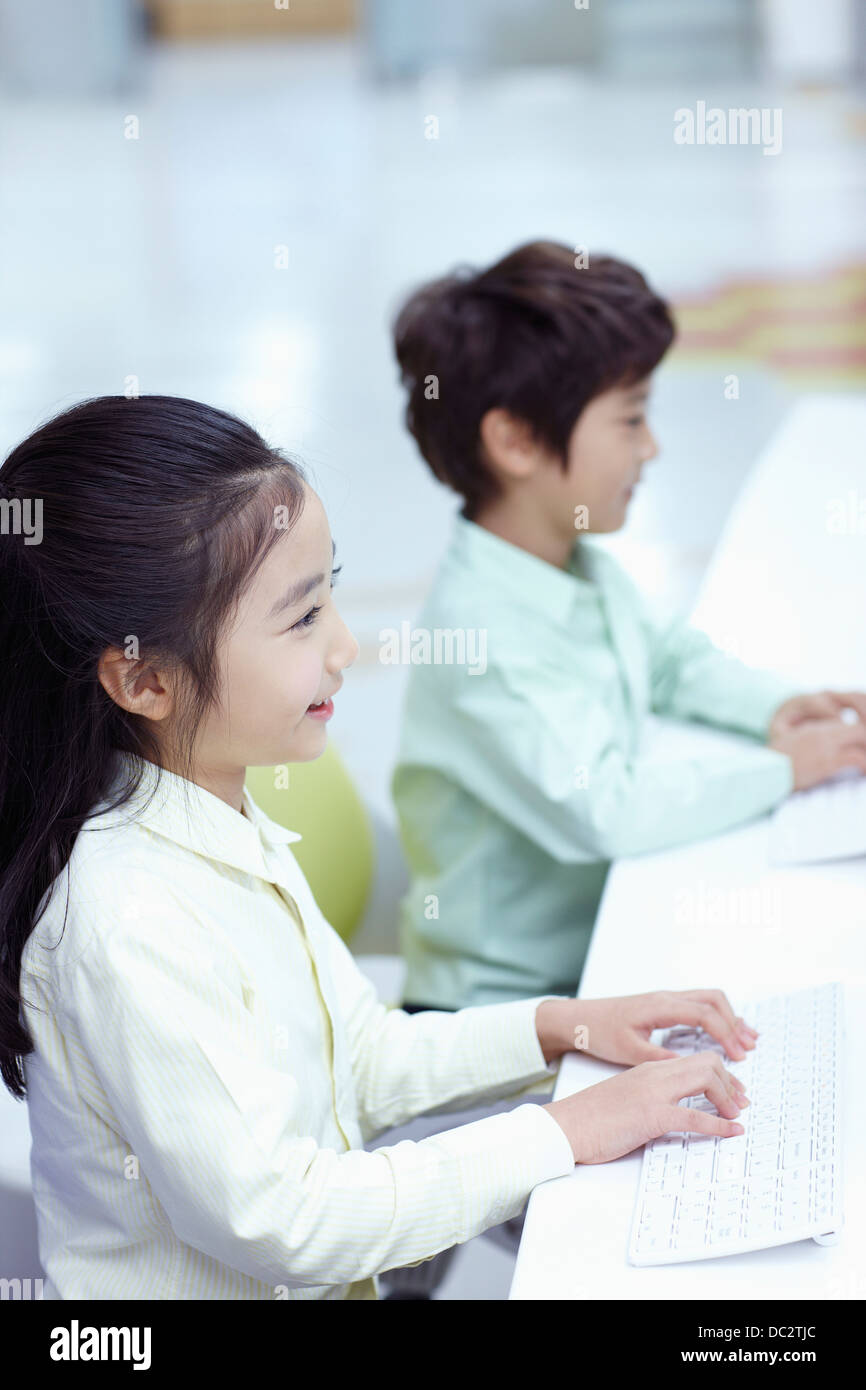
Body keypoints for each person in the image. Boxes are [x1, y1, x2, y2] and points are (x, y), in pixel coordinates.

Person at [0, 395, 753, 1300]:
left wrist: (566, 1026)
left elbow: (359, 1058)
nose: (346, 646)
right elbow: (289, 1223)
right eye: (301, 619)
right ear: (144, 679)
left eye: (331, 596)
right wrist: (566, 1132)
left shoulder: (222, 816)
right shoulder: (128, 921)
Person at [389, 239, 866, 1016]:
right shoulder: (484, 642)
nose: (652, 448)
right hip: (500, 1020)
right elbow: (607, 810)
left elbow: (668, 658)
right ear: (513, 441)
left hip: (603, 954)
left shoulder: (568, 556)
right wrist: (785, 769)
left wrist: (774, 710)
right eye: (631, 420)